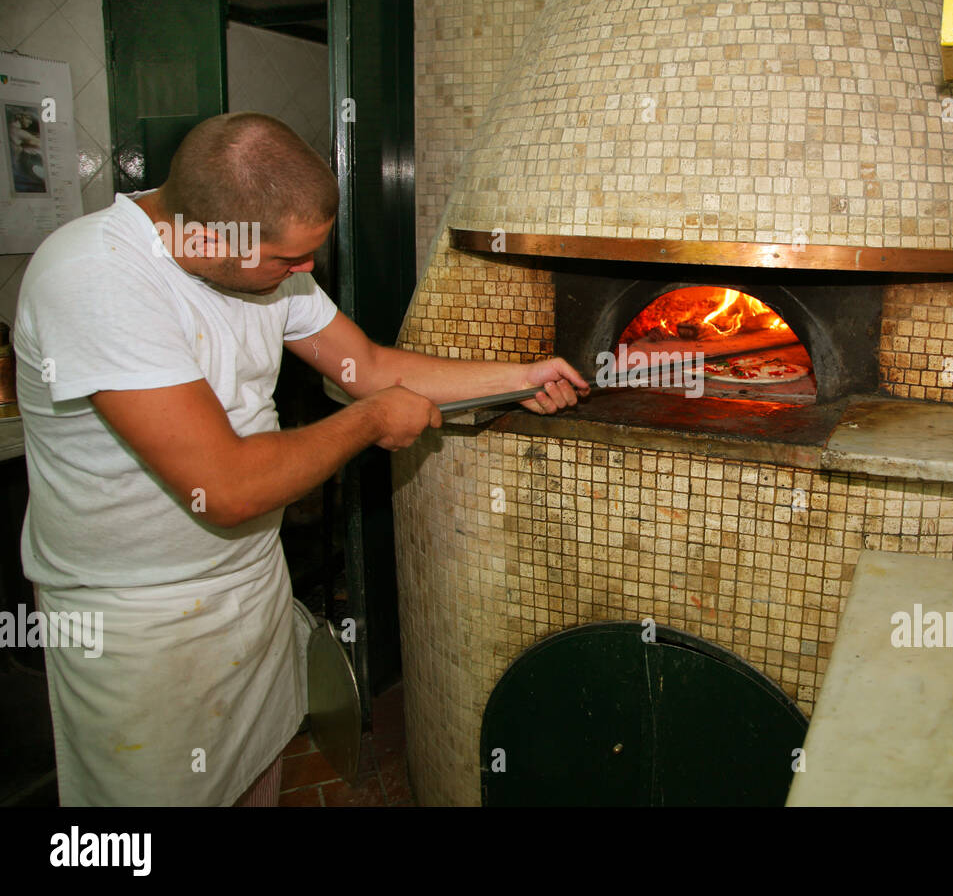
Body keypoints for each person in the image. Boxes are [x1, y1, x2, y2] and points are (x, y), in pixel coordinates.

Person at [14, 111, 587, 806]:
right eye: (289, 259)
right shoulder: (96, 279)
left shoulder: (265, 268)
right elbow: (225, 486)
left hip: (250, 579)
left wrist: (518, 378)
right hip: (140, 619)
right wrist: (369, 422)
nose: (306, 272)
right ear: (210, 233)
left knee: (256, 770)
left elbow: (368, 365)